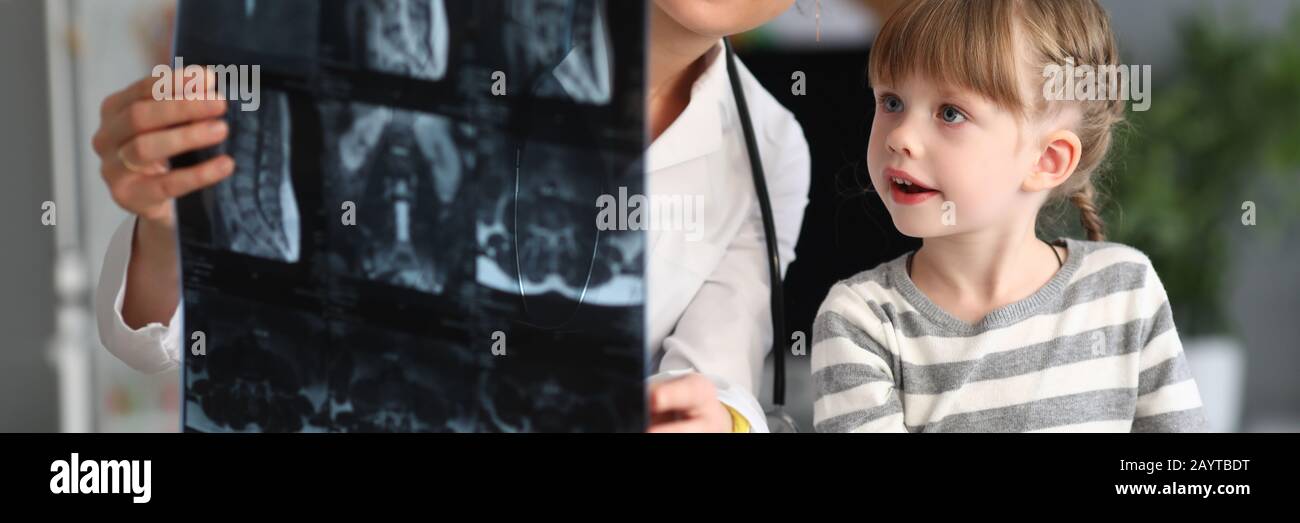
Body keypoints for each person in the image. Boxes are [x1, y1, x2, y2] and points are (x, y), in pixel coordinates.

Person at [92, 0, 810, 432]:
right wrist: (166, 224)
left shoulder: (771, 147)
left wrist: (719, 420)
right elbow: (187, 335)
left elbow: (717, 381)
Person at [810, 0, 1208, 432]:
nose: (901, 136)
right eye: (891, 102)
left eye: (950, 113)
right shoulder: (860, 322)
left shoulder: (1125, 291)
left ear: (1047, 161)